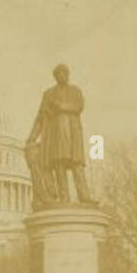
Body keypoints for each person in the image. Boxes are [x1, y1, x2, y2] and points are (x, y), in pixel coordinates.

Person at [26, 64, 93, 206]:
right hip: (56, 135)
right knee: (59, 165)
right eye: (59, 74)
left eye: (65, 73)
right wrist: (32, 137)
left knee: (77, 165)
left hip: (73, 133)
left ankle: (84, 196)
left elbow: (79, 106)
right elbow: (40, 117)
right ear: (55, 76)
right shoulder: (48, 94)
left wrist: (60, 106)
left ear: (68, 75)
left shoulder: (75, 91)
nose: (63, 76)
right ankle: (64, 197)